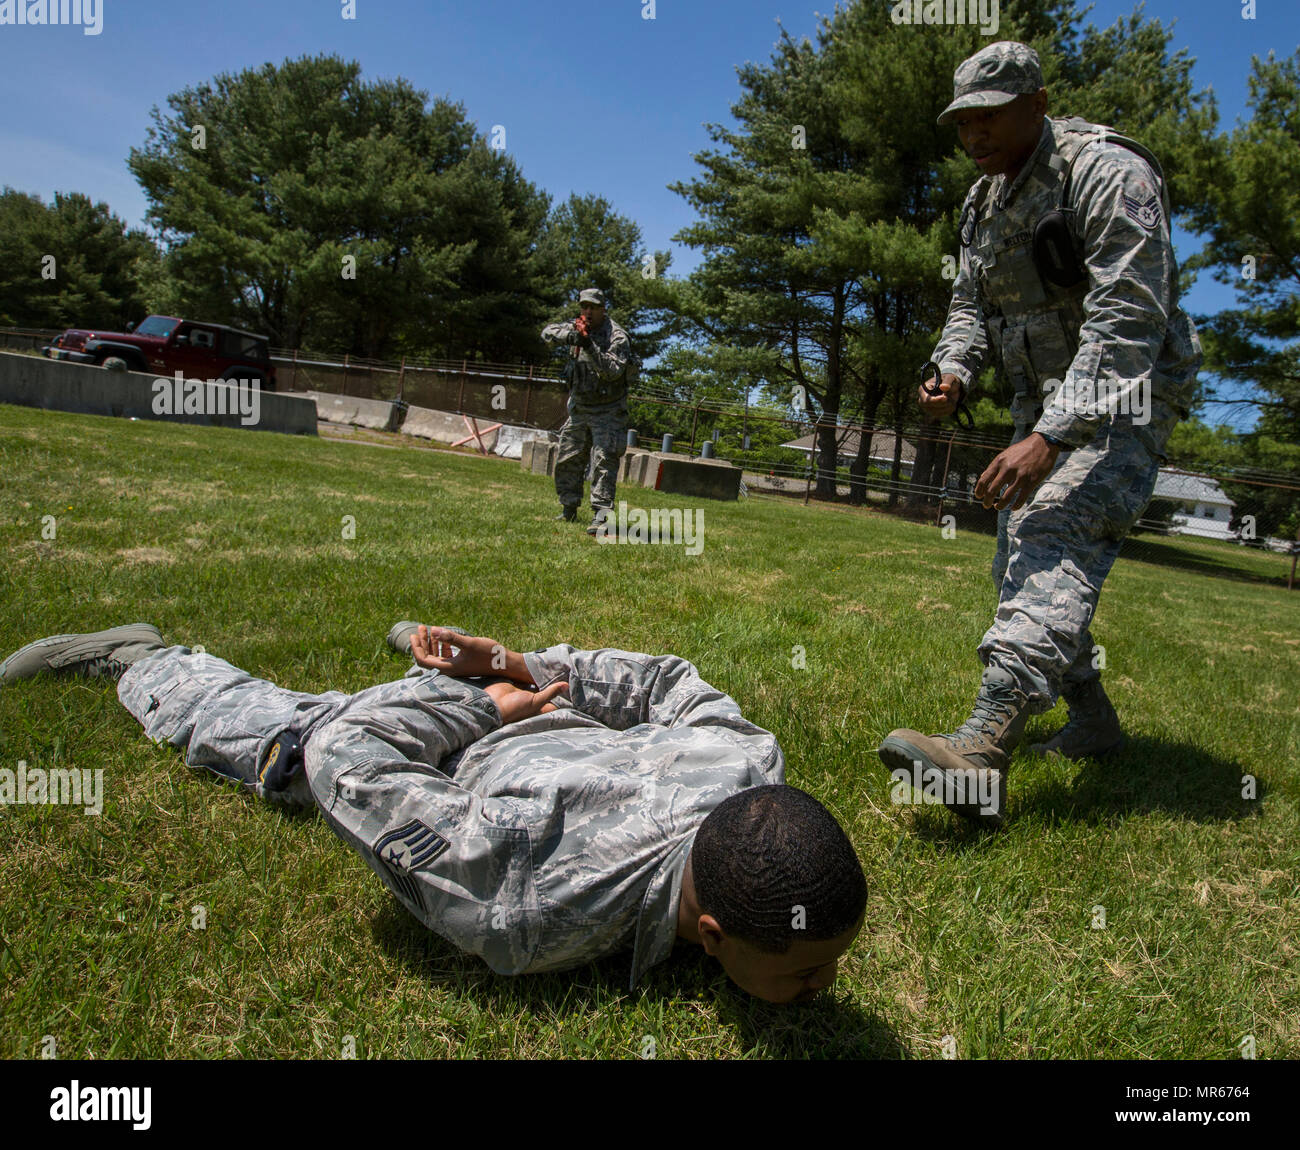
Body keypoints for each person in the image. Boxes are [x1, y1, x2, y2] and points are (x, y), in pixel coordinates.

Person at [2, 623, 866, 1004]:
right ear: (710, 934)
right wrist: (494, 689)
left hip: (517, 719)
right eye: (805, 974)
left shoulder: (751, 764)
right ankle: (142, 657)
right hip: (455, 740)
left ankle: (436, 657)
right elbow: (348, 754)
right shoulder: (527, 899)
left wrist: (511, 674)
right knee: (287, 749)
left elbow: (666, 682)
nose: (825, 987)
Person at [878, 41, 1201, 825]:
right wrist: (953, 370)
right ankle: (1093, 722)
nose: (974, 135)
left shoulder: (1107, 173)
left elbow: (1129, 320)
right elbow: (968, 305)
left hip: (1126, 398)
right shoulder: (981, 204)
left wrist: (1051, 437)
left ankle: (983, 748)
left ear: (1038, 104)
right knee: (1016, 564)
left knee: (1054, 531)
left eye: (989, 117)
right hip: (1044, 404)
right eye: (963, 123)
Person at [542, 288, 632, 535]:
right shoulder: (577, 327)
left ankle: (601, 516)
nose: (588, 311)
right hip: (580, 408)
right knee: (568, 458)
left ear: (603, 309)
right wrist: (572, 336)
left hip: (608, 410)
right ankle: (568, 507)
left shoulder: (617, 336)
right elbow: (547, 332)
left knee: (604, 461)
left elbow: (613, 371)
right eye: (584, 306)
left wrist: (589, 346)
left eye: (593, 307)